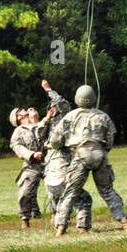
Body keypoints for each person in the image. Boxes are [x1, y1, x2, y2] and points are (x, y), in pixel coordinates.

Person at [51, 86, 127, 236]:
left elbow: (55, 141)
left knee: (70, 193)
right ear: (94, 98)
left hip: (79, 156)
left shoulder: (69, 117)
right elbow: (110, 141)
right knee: (107, 191)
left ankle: (61, 228)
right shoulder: (103, 116)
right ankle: (124, 223)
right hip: (100, 155)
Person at [39, 80, 92, 231]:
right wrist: (48, 89)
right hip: (61, 167)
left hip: (49, 173)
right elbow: (61, 102)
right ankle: (81, 228)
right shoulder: (61, 122)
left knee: (57, 199)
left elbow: (61, 103)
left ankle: (59, 224)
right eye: (52, 106)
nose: (54, 106)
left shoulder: (52, 123)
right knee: (81, 198)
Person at [9, 106, 46, 226]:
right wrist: (31, 154)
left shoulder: (43, 123)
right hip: (32, 165)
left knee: (57, 189)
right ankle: (25, 220)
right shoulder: (19, 131)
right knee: (25, 192)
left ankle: (59, 217)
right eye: (21, 111)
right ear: (18, 118)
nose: (25, 109)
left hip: (49, 162)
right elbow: (16, 146)